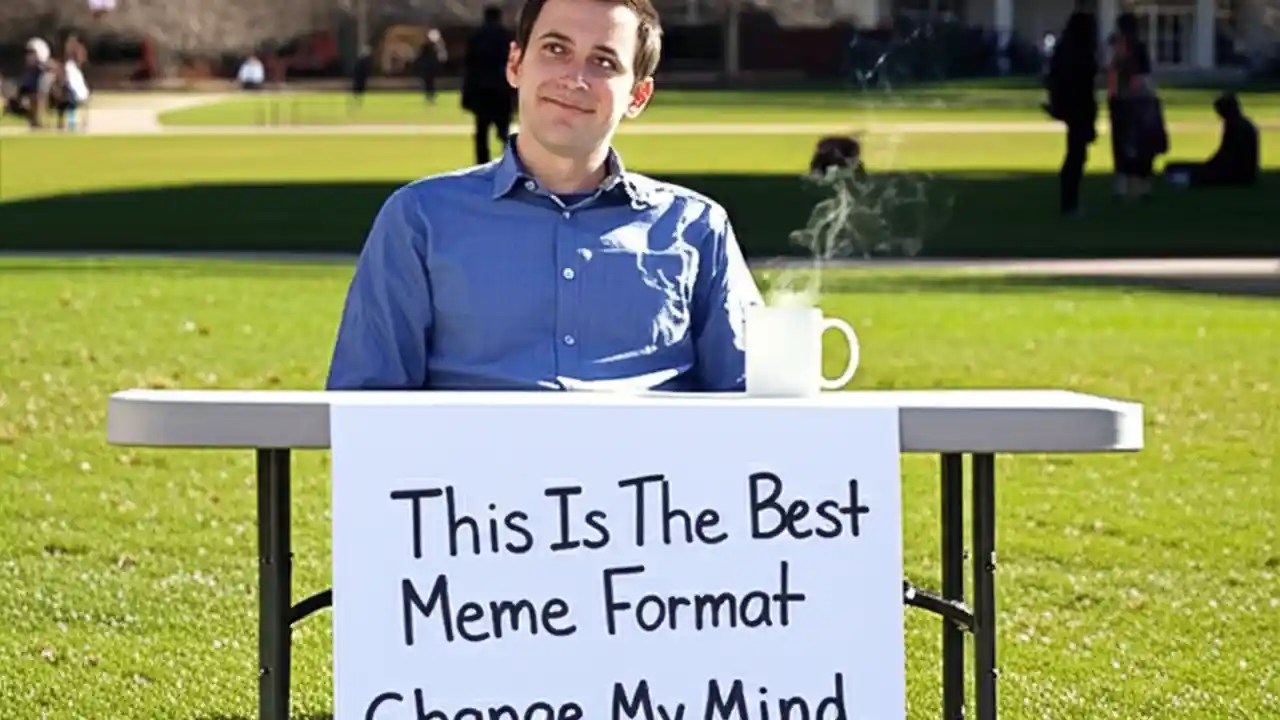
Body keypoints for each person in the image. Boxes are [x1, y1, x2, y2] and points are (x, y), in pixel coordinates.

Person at [326, 0, 762, 393]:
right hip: (478, 478)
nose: (574, 79)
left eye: (604, 62)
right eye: (556, 50)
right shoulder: (420, 219)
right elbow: (365, 404)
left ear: (638, 95)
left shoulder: (697, 229)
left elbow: (756, 396)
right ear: (515, 64)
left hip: (649, 477)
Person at [1044, 10, 1098, 216]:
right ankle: (1070, 203)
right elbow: (1085, 86)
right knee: (1076, 155)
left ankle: (1070, 201)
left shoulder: (1064, 50)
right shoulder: (1082, 53)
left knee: (1075, 154)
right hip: (1079, 108)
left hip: (1070, 107)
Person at [1164, 92, 1259, 188]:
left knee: (1194, 173)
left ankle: (1178, 180)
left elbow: (1229, 156)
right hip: (1237, 171)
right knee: (1180, 167)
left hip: (1237, 174)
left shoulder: (1237, 127)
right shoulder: (1239, 124)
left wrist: (1211, 166)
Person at [461, 6, 516, 163]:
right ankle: (509, 161)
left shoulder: (476, 37)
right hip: (502, 90)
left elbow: (469, 65)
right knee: (503, 131)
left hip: (482, 91)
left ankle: (481, 163)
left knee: (481, 132)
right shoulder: (506, 38)